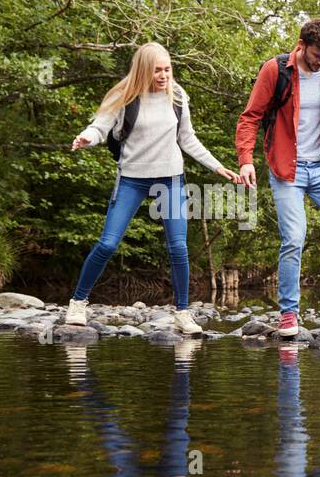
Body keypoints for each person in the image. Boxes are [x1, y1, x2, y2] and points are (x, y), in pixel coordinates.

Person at [68, 42, 239, 333]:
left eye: (167, 69)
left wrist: (216, 165)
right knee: (108, 243)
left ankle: (183, 313)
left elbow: (187, 138)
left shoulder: (178, 95)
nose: (163, 76)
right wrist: (86, 138)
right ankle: (78, 303)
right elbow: (100, 127)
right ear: (144, 70)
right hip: (132, 178)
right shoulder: (125, 95)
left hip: (170, 178)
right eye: (157, 70)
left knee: (178, 248)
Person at [236, 18, 320, 337]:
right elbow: (250, 117)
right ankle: (288, 312)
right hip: (287, 169)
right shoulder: (276, 70)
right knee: (294, 237)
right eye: (316, 55)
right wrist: (245, 160)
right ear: (302, 44)